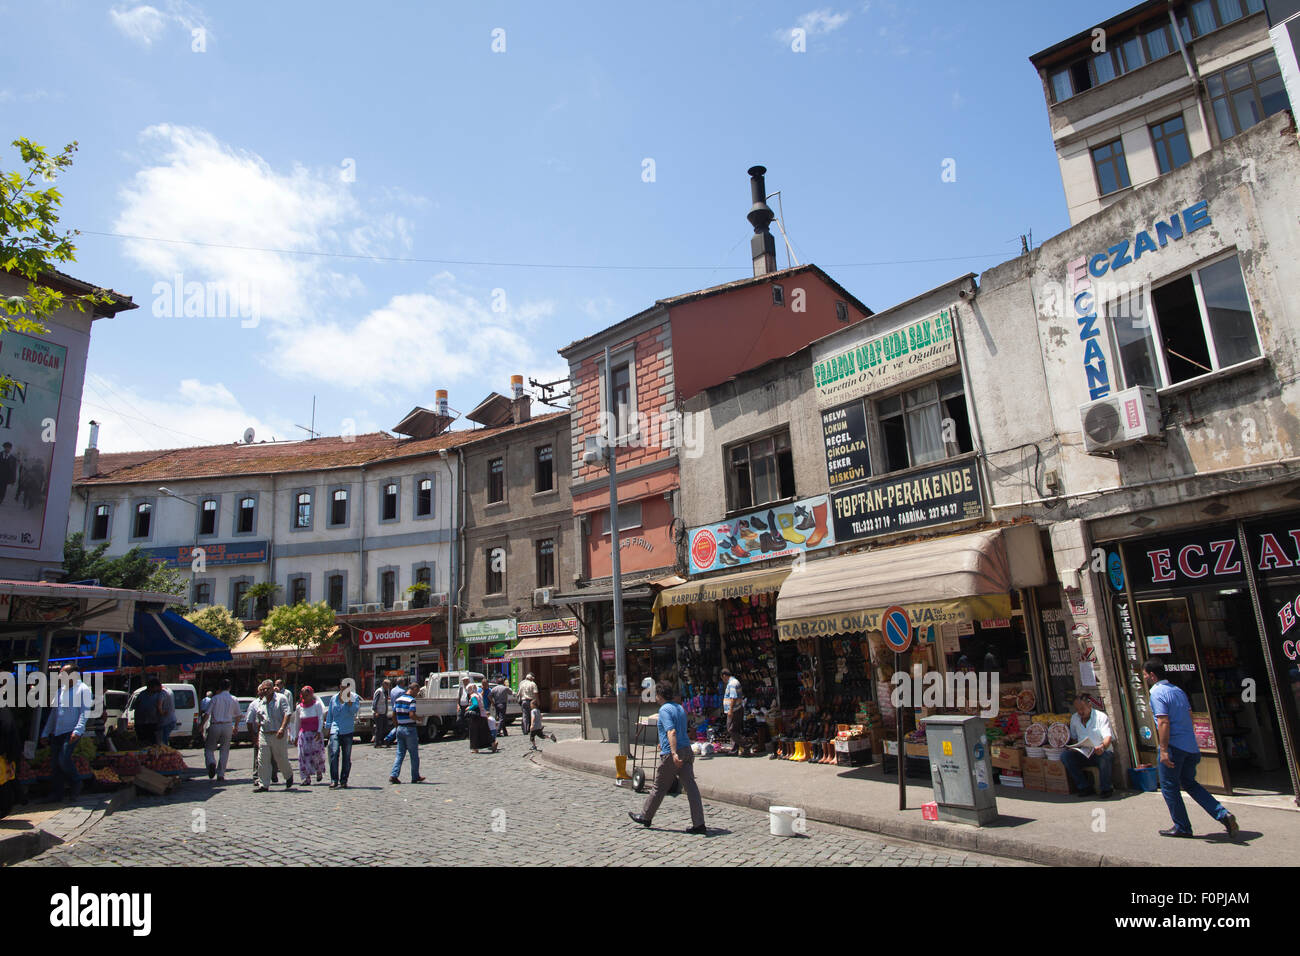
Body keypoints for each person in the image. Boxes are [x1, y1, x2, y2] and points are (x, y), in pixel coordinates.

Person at [1144, 659, 1239, 838]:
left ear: (1152, 675)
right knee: (1189, 783)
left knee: (1169, 787)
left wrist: (1163, 749)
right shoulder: (1178, 691)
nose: (1144, 677)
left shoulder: (1157, 693)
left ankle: (1182, 827)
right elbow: (1189, 715)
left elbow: (1163, 721)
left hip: (1174, 747)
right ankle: (1222, 814)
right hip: (1190, 747)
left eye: (1145, 674)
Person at [628, 681, 706, 834]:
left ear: (660, 695)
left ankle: (645, 816)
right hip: (686, 750)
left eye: (656, 694)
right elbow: (679, 730)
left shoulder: (664, 710)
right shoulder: (680, 708)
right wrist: (662, 743)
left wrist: (673, 752)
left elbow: (671, 732)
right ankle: (699, 823)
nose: (655, 697)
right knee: (691, 788)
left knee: (659, 786)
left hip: (673, 754)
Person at [38, 665, 93, 803]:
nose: (59, 677)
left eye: (62, 674)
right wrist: (45, 732)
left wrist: (78, 730)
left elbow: (84, 712)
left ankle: (76, 782)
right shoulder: (60, 691)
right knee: (55, 764)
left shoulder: (83, 690)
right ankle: (57, 794)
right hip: (58, 732)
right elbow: (54, 714)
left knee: (63, 759)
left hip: (71, 731)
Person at [1059, 695, 1115, 798]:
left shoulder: (1101, 717)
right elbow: (1074, 738)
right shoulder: (1075, 718)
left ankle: (1106, 788)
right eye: (1077, 709)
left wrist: (1102, 747)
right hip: (1084, 753)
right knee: (1066, 756)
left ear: (1089, 705)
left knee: (1105, 758)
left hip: (1101, 752)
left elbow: (1108, 737)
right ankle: (1084, 786)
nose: (1080, 712)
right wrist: (1075, 747)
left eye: (1082, 709)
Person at [250, 680, 293, 792]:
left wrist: (282, 728)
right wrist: (257, 737)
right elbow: (259, 720)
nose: (265, 691)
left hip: (278, 733)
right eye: (263, 689)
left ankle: (288, 775)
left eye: (267, 688)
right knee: (262, 759)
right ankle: (263, 784)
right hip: (264, 733)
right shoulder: (261, 702)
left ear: (272, 688)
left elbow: (287, 713)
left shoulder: (281, 698)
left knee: (280, 758)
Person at [204, 679, 241, 781]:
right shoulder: (234, 699)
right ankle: (221, 774)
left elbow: (207, 713)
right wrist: (236, 726)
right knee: (225, 750)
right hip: (228, 725)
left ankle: (211, 762)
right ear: (230, 687)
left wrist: (201, 725)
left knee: (209, 748)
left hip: (215, 725)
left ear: (220, 687)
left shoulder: (215, 698)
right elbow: (238, 715)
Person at [326, 682, 361, 789]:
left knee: (346, 756)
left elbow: (354, 711)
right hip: (335, 729)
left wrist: (349, 701)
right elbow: (330, 714)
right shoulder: (334, 698)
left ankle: (344, 780)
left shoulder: (354, 697)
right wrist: (328, 728)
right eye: (342, 687)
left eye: (346, 688)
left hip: (347, 730)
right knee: (334, 752)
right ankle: (334, 780)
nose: (343, 689)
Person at [389, 680, 424, 784]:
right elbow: (411, 715)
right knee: (413, 754)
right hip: (409, 729)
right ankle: (415, 776)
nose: (416, 694)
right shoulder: (411, 700)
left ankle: (394, 774)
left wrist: (397, 726)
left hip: (400, 728)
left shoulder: (398, 700)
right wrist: (419, 719)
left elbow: (393, 714)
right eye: (416, 692)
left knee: (400, 753)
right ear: (413, 689)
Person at [291, 686, 326, 785]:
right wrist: (295, 736)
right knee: (303, 756)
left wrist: (319, 731)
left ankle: (319, 771)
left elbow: (320, 718)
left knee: (317, 754)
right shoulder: (299, 707)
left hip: (315, 734)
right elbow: (297, 722)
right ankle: (307, 777)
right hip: (304, 735)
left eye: (307, 695)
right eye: (303, 695)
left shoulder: (317, 705)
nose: (305, 697)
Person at [467, 679, 496, 753]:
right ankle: (493, 743)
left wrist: (468, 708)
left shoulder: (473, 695)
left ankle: (475, 748)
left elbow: (475, 705)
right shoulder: (479, 694)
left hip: (476, 716)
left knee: (474, 732)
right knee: (486, 731)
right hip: (483, 715)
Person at [133, 678, 162, 746]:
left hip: (153, 724)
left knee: (153, 744)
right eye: (156, 687)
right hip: (141, 724)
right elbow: (135, 707)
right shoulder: (142, 695)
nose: (158, 689)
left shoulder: (158, 695)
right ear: (151, 687)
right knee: (143, 743)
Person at [721, 668, 743, 755]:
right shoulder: (733, 682)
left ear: (724, 676)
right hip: (735, 709)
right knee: (735, 730)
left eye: (722, 678)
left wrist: (730, 710)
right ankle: (735, 749)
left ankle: (746, 744)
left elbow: (733, 697)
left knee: (731, 730)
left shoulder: (732, 684)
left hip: (734, 710)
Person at [372, 679, 391, 748]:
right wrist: (376, 711)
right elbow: (375, 702)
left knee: (385, 728)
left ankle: (383, 741)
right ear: (384, 684)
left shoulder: (385, 691)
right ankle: (377, 743)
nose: (388, 686)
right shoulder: (379, 691)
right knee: (379, 729)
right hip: (379, 713)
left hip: (383, 713)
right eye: (387, 685)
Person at [157, 682, 177, 746]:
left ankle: (164, 753)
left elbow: (159, 705)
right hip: (172, 719)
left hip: (166, 721)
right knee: (165, 738)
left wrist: (161, 712)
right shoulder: (169, 690)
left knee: (163, 740)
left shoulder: (162, 693)